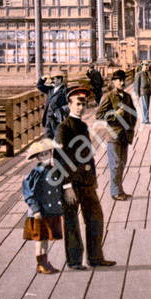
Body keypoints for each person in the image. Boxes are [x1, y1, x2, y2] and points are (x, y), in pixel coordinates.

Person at [55, 89, 116, 270]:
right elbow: (59, 158)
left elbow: (87, 156)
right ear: (69, 105)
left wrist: (93, 179)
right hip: (71, 183)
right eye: (78, 104)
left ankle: (95, 257)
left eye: (83, 104)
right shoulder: (63, 128)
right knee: (72, 221)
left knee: (95, 217)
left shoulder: (82, 126)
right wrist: (66, 186)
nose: (81, 107)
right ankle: (74, 261)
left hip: (86, 181)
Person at [21, 138, 65, 274]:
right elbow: (28, 192)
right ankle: (40, 263)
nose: (45, 156)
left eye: (47, 153)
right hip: (40, 211)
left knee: (45, 239)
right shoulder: (36, 172)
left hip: (50, 210)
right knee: (39, 239)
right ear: (37, 157)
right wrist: (35, 209)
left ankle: (44, 262)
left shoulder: (54, 169)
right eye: (42, 155)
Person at [95, 68, 137, 200]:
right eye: (119, 80)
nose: (122, 82)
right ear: (113, 82)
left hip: (125, 135)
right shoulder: (108, 96)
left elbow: (133, 114)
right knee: (115, 164)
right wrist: (114, 115)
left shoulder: (127, 97)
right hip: (113, 135)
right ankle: (115, 192)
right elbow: (99, 114)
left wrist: (131, 127)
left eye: (123, 79)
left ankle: (120, 190)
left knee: (122, 163)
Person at [37, 71, 70, 141]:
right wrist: (43, 78)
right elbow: (39, 86)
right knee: (47, 136)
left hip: (57, 118)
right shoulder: (50, 89)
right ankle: (49, 150)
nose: (52, 81)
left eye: (54, 79)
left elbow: (68, 104)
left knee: (58, 137)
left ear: (60, 80)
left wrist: (60, 111)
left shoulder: (65, 90)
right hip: (48, 117)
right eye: (51, 79)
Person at [133, 61, 151, 126]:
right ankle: (145, 120)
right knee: (145, 106)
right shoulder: (139, 74)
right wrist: (137, 94)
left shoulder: (148, 73)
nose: (147, 67)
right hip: (143, 91)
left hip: (148, 91)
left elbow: (149, 83)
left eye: (147, 65)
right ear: (142, 66)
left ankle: (146, 119)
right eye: (145, 65)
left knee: (147, 106)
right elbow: (136, 85)